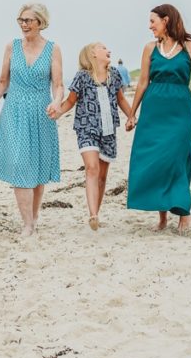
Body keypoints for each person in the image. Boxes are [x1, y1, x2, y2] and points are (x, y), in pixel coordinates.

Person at [127, 4, 191, 234]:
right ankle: (162, 216)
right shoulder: (150, 48)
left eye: (153, 21)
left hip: (179, 109)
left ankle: (183, 213)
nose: (150, 26)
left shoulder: (190, 46)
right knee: (156, 160)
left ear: (166, 20)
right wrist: (132, 113)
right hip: (153, 109)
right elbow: (143, 82)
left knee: (178, 158)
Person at [0, 3, 63, 237]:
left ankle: (34, 216)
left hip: (42, 113)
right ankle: (27, 224)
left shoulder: (53, 49)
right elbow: (3, 81)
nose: (23, 24)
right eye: (21, 20)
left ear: (40, 22)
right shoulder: (12, 47)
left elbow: (58, 85)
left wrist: (57, 102)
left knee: (38, 170)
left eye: (28, 20)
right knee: (21, 165)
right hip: (14, 112)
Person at [50, 42, 134, 231]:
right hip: (86, 128)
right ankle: (93, 214)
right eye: (103, 48)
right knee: (92, 168)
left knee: (102, 176)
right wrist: (58, 111)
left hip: (109, 131)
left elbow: (121, 99)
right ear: (93, 54)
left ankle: (97, 212)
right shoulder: (82, 76)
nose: (108, 50)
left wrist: (131, 116)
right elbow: (71, 100)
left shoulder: (114, 74)